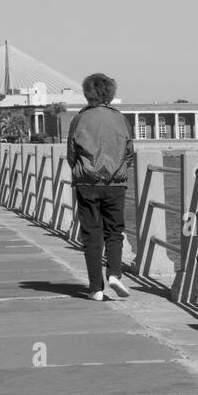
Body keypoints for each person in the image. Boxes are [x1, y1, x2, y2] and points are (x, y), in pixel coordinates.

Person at [67, 73, 134, 300]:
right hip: (116, 183)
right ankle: (115, 273)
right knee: (114, 231)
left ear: (87, 93)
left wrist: (82, 170)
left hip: (86, 182)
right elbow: (129, 152)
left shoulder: (79, 119)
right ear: (110, 93)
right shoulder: (121, 119)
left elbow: (71, 154)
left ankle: (96, 288)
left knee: (91, 234)